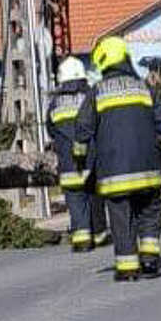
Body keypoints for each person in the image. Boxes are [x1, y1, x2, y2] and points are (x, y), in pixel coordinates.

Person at [75, 34, 161, 281]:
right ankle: (150, 259)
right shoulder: (145, 88)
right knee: (149, 213)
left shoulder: (97, 92)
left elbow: (82, 130)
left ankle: (128, 267)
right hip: (148, 168)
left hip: (114, 173)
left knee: (121, 219)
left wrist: (80, 159)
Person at [45, 55, 100, 253]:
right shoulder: (90, 97)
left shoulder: (56, 103)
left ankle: (82, 238)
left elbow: (50, 130)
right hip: (92, 160)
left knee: (76, 201)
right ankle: (98, 233)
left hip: (68, 163)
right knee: (94, 197)